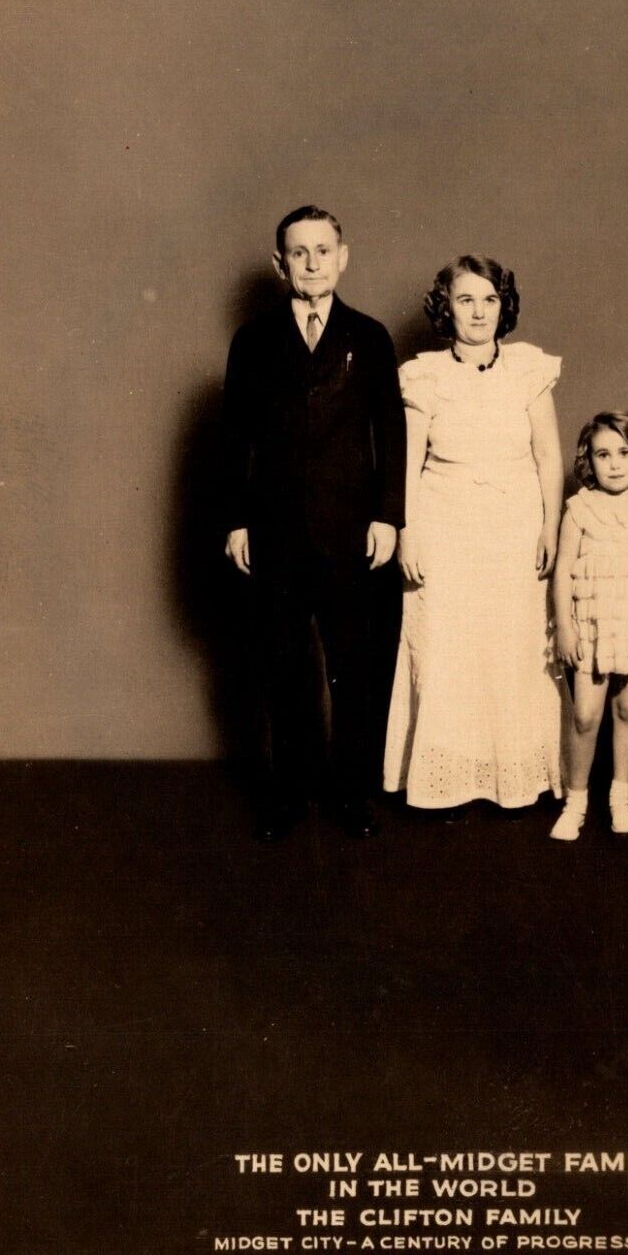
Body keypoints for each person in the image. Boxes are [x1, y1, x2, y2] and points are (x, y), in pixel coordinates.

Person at [222, 205, 405, 838]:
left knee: (353, 664)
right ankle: (289, 795)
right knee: (284, 663)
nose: (311, 263)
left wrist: (388, 519)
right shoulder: (252, 340)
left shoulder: (370, 337)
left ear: (343, 257)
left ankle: (351, 794)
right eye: (298, 253)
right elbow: (234, 438)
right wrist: (237, 521)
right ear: (280, 264)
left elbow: (393, 435)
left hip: (351, 532)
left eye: (322, 250)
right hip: (274, 531)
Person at [383, 254, 565, 811]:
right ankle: (447, 780)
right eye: (465, 300)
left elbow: (549, 458)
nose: (479, 311)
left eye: (489, 299)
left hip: (514, 525)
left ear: (503, 305)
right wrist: (407, 534)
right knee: (444, 647)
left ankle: (514, 777)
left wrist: (550, 527)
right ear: (447, 308)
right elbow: (407, 465)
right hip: (445, 526)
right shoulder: (423, 375)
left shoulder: (529, 369)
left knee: (513, 646)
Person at [549, 411, 628, 841]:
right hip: (592, 624)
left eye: (624, 452)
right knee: (586, 716)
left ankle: (620, 798)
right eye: (603, 454)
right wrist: (565, 628)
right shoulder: (579, 509)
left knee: (627, 709)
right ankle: (576, 801)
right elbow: (563, 570)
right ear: (589, 459)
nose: (615, 463)